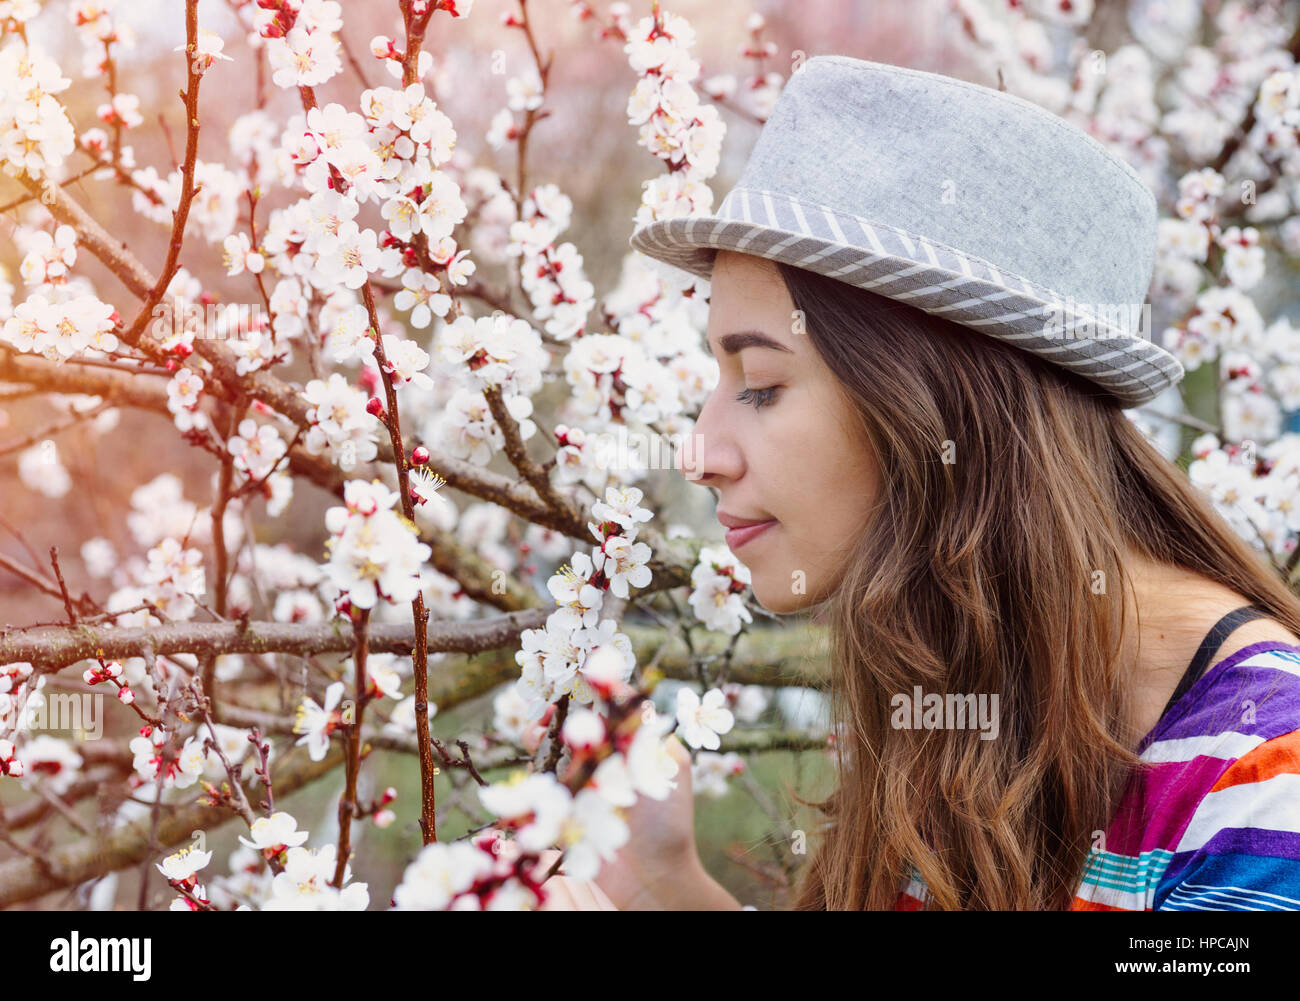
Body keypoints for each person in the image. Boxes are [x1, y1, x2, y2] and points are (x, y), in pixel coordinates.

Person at [540, 55, 1300, 910]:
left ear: (932, 406)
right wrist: (660, 884)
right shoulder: (968, 699)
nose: (701, 452)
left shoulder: (1263, 791)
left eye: (761, 384)